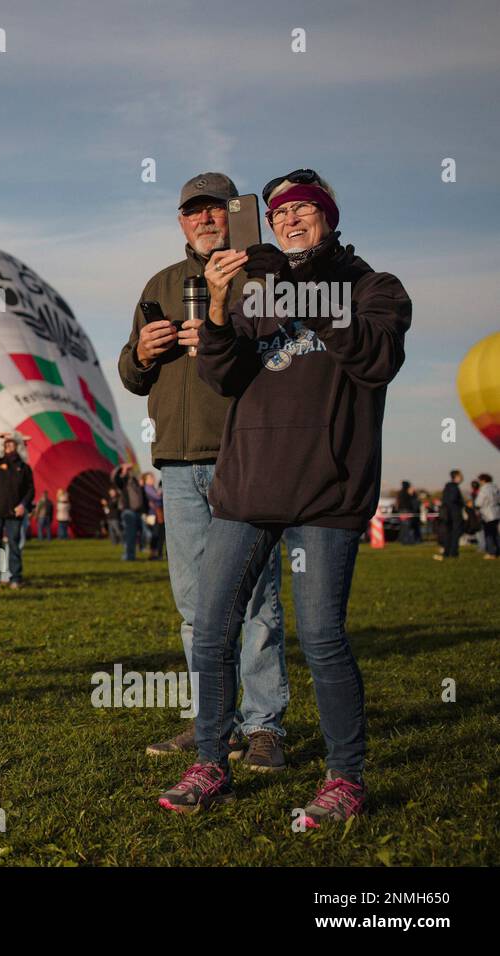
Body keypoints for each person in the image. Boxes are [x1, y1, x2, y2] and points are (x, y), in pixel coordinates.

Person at [158, 168, 411, 825]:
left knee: (322, 636)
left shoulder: (375, 287)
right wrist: (217, 306)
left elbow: (376, 359)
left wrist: (306, 292)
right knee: (211, 629)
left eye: (303, 209)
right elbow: (221, 373)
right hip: (249, 486)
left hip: (328, 488)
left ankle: (344, 778)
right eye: (279, 213)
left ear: (329, 214)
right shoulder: (258, 294)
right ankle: (211, 762)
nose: (290, 220)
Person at [118, 170, 288, 765]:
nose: (206, 219)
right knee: (194, 604)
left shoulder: (264, 276)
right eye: (195, 212)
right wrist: (141, 352)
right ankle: (212, 719)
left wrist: (224, 333)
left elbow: (289, 357)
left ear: (237, 214)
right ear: (181, 221)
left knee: (256, 598)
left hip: (244, 454)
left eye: (217, 209)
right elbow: (131, 374)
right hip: (177, 461)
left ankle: (265, 726)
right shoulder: (161, 283)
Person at [0, 432, 34, 590]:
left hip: (13, 512)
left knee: (14, 544)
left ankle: (15, 578)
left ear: (17, 446)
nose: (8, 446)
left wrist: (23, 504)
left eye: (12, 443)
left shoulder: (24, 468)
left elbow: (30, 490)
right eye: (6, 444)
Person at [110, 463, 148, 561]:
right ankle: (128, 556)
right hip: (128, 512)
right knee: (130, 535)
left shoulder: (134, 482)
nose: (129, 472)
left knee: (138, 535)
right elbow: (114, 477)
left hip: (137, 512)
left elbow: (142, 497)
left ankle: (132, 555)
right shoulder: (123, 482)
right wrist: (122, 468)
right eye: (127, 471)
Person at [436, 470, 464, 560]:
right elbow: (453, 499)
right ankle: (453, 552)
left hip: (447, 514)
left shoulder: (448, 487)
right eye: (460, 476)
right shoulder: (453, 487)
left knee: (449, 533)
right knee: (455, 533)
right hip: (454, 513)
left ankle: (447, 552)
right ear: (456, 476)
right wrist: (462, 504)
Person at [476, 473, 499, 559]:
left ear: (483, 480)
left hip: (487, 514)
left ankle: (491, 552)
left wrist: (476, 507)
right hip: (496, 513)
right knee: (495, 533)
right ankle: (497, 551)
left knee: (488, 534)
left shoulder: (484, 489)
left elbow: (479, 502)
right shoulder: (495, 488)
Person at [143, 472, 165, 559]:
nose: (153, 479)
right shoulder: (148, 488)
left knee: (158, 534)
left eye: (153, 477)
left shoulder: (151, 488)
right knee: (156, 534)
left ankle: (156, 553)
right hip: (153, 514)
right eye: (150, 478)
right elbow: (157, 497)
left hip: (155, 513)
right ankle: (154, 554)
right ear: (146, 480)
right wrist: (160, 493)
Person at [395, 480, 419, 545]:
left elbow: (398, 503)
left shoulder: (400, 493)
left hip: (402, 511)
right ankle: (407, 541)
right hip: (407, 511)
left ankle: (403, 540)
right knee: (407, 526)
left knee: (404, 526)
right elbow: (412, 502)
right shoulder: (407, 493)